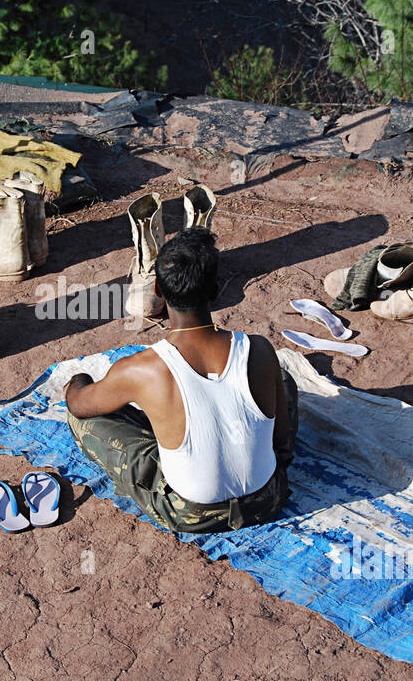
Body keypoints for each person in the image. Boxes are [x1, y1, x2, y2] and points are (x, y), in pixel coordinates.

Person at [64, 227, 298, 532]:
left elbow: (80, 405)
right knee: (281, 378)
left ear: (158, 290)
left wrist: (77, 380)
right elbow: (280, 441)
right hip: (266, 499)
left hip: (191, 513)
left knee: (86, 420)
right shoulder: (259, 349)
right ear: (215, 291)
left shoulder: (140, 369)